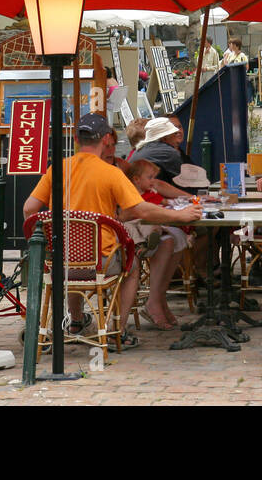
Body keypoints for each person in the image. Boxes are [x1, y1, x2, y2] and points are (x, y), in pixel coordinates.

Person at [23, 113, 202, 345]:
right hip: (102, 260)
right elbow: (142, 210)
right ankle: (116, 330)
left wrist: (42, 242)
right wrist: (179, 215)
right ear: (106, 139)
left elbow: (29, 208)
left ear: (76, 139)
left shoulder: (57, 169)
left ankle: (76, 320)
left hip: (59, 261)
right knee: (132, 266)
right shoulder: (111, 173)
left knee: (71, 254)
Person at [125, 142, 198, 329]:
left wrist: (184, 201)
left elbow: (158, 189)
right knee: (168, 237)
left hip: (147, 223)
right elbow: (133, 211)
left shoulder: (124, 165)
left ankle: (158, 297)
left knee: (175, 237)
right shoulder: (128, 179)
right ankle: (155, 300)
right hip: (127, 229)